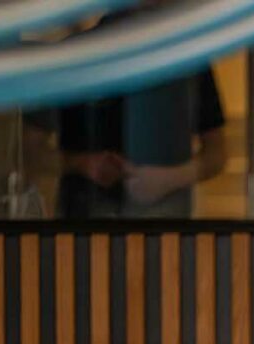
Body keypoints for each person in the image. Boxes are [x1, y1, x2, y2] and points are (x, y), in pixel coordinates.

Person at [22, 4, 228, 218]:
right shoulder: (70, 58)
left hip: (166, 226)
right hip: (85, 223)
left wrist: (167, 179)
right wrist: (81, 163)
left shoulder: (188, 60)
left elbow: (216, 155)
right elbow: (30, 151)